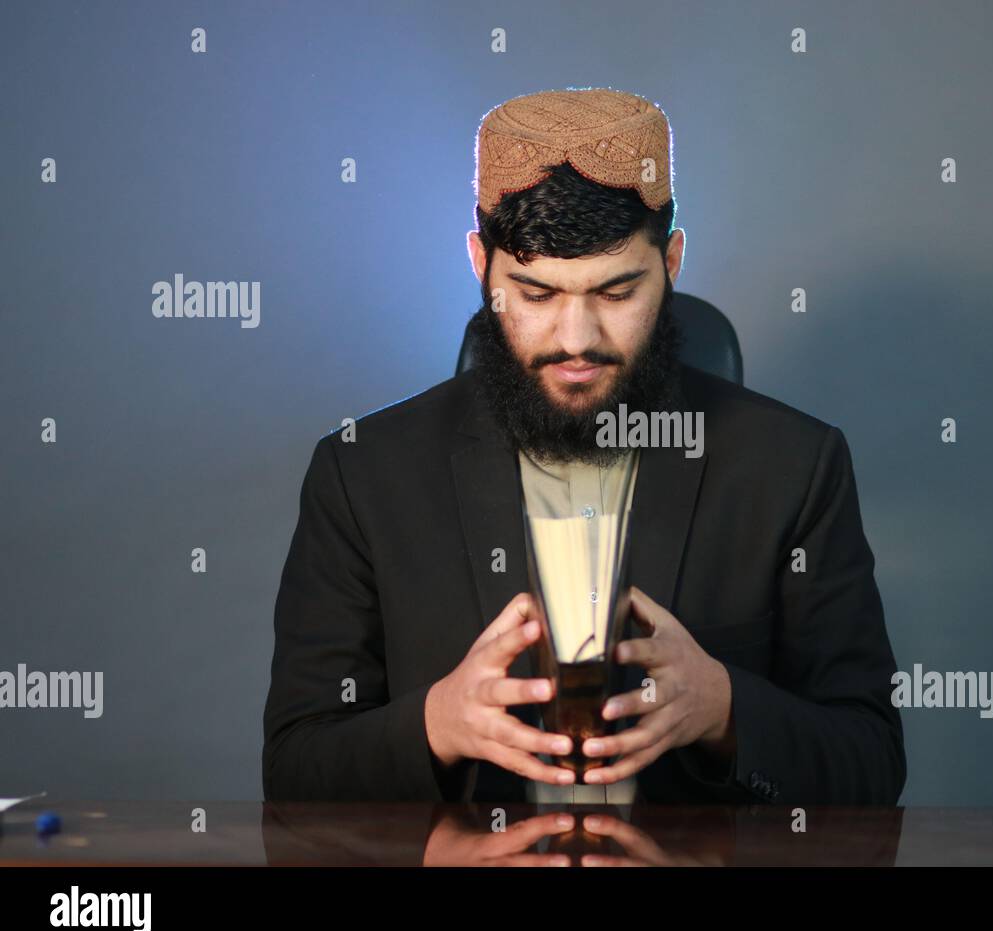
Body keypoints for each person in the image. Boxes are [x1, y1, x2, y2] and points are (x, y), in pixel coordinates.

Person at [262, 87, 906, 806]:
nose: (576, 339)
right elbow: (295, 770)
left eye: (616, 292)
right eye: (536, 295)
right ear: (480, 264)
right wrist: (436, 724)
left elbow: (871, 765)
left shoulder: (792, 465)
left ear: (673, 263)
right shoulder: (362, 472)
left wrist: (724, 707)